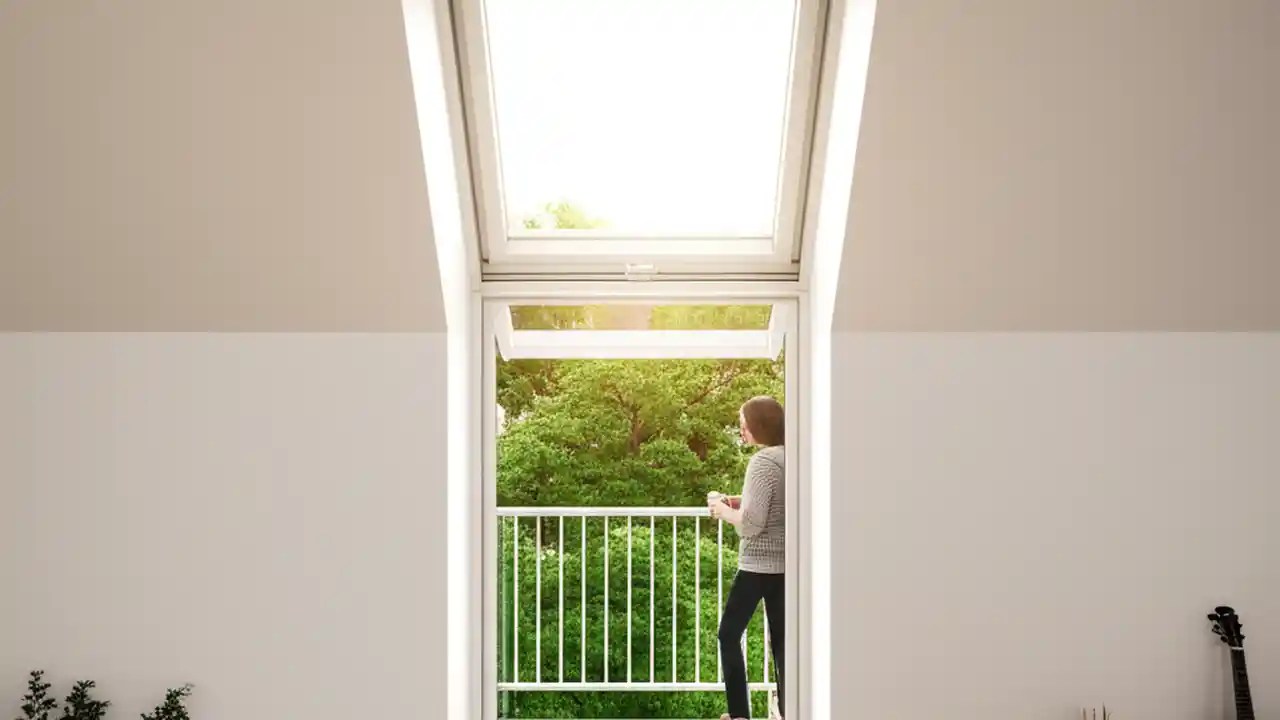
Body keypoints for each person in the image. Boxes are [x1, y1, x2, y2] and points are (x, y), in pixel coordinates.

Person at [708, 396, 785, 720]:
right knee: (782, 644)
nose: (741, 429)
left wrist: (721, 509)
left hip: (757, 566)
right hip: (787, 567)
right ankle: (789, 710)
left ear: (756, 425)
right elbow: (774, 502)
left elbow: (751, 524)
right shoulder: (790, 457)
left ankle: (739, 715)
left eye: (742, 423)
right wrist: (740, 500)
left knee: (728, 635)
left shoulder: (763, 462)